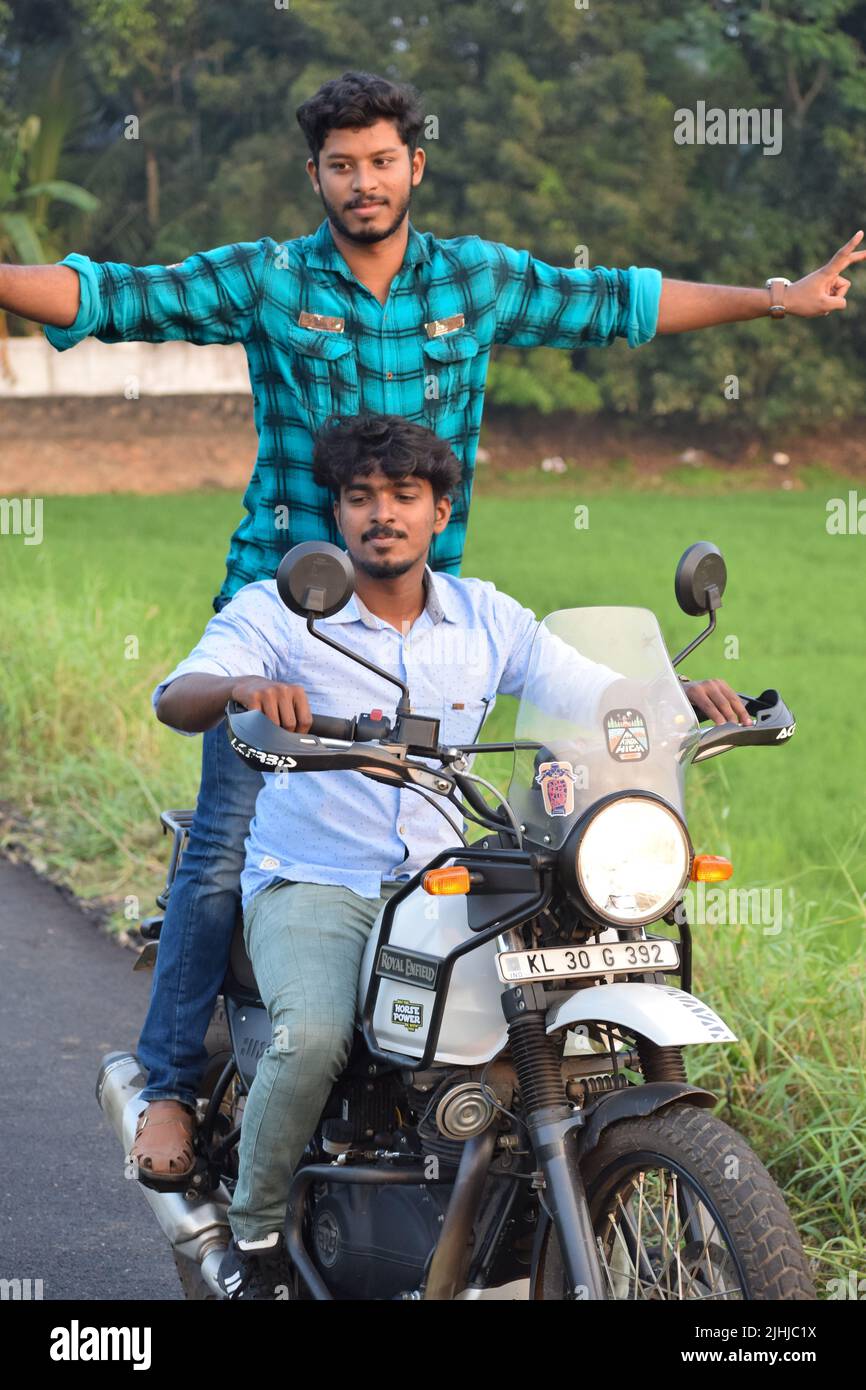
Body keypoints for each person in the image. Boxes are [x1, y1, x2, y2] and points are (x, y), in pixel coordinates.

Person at [2, 70, 858, 1179]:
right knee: (220, 855)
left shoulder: (475, 280)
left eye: (381, 159)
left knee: (483, 854)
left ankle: (451, 1096)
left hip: (427, 618)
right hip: (286, 620)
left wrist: (775, 299)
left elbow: (618, 305)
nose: (363, 182)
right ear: (315, 176)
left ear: (416, 164)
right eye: (341, 165)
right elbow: (111, 296)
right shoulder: (268, 279)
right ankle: (169, 1087)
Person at [149, 411, 754, 1298]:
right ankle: (257, 1239)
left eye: (404, 496)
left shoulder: (486, 617)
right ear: (338, 516)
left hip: (445, 881)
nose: (380, 514)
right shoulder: (281, 614)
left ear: (440, 512)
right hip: (317, 881)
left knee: (540, 1009)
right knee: (314, 1035)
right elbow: (176, 695)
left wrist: (672, 696)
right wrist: (241, 685)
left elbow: (584, 687)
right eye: (360, 498)